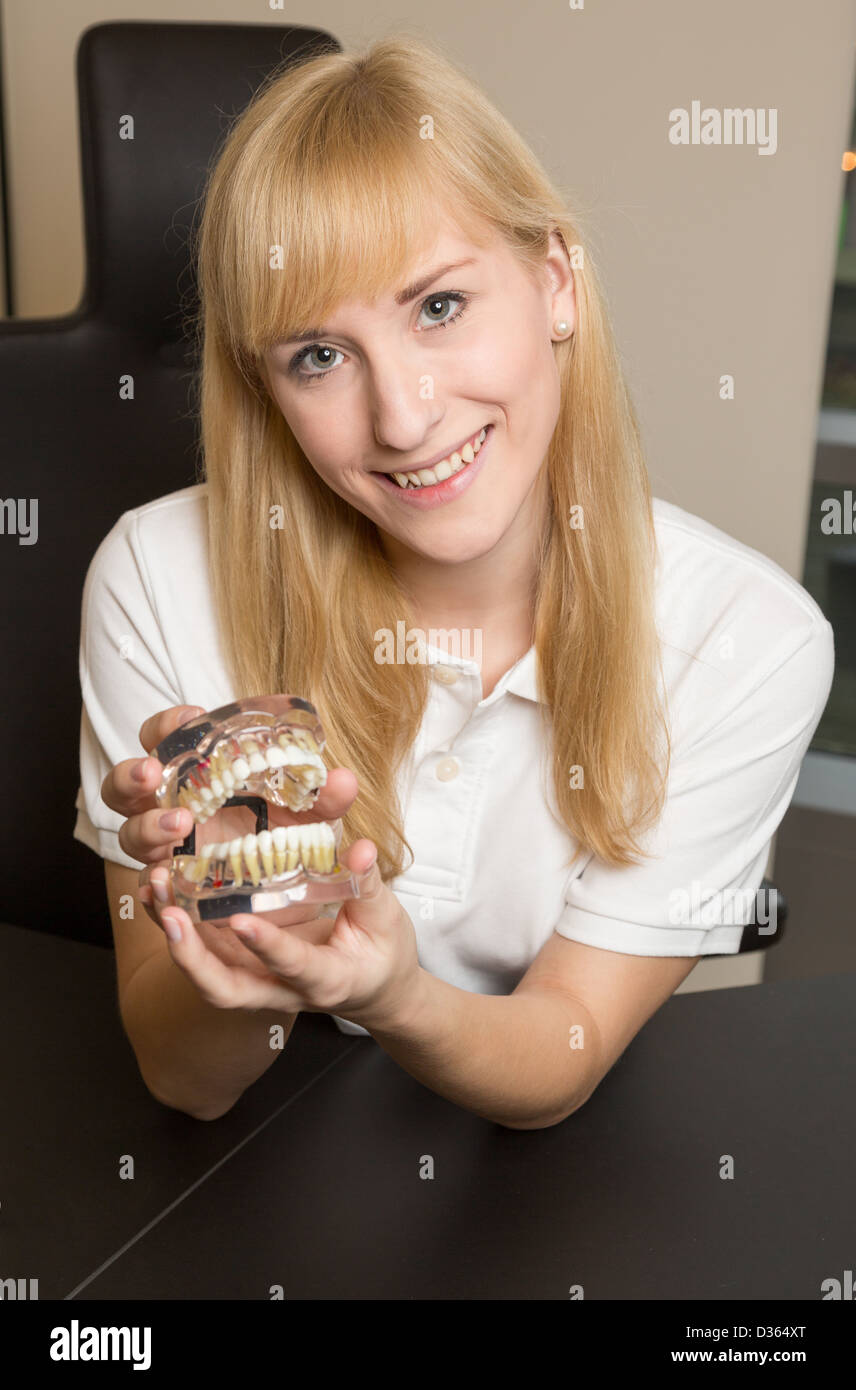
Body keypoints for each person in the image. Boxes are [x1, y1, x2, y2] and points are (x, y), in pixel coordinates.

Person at [73, 35, 834, 1128]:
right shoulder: (155, 572)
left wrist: (395, 993)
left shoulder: (750, 638)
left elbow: (559, 1058)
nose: (402, 415)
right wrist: (246, 951)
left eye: (437, 306)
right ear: (269, 393)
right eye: (318, 357)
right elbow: (187, 1080)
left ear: (555, 282)